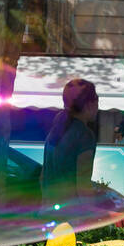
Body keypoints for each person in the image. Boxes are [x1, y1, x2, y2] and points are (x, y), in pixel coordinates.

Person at [41, 78, 100, 206]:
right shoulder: (85, 135)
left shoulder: (55, 131)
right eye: (97, 99)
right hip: (71, 216)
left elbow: (42, 178)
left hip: (47, 211)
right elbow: (83, 188)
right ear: (89, 104)